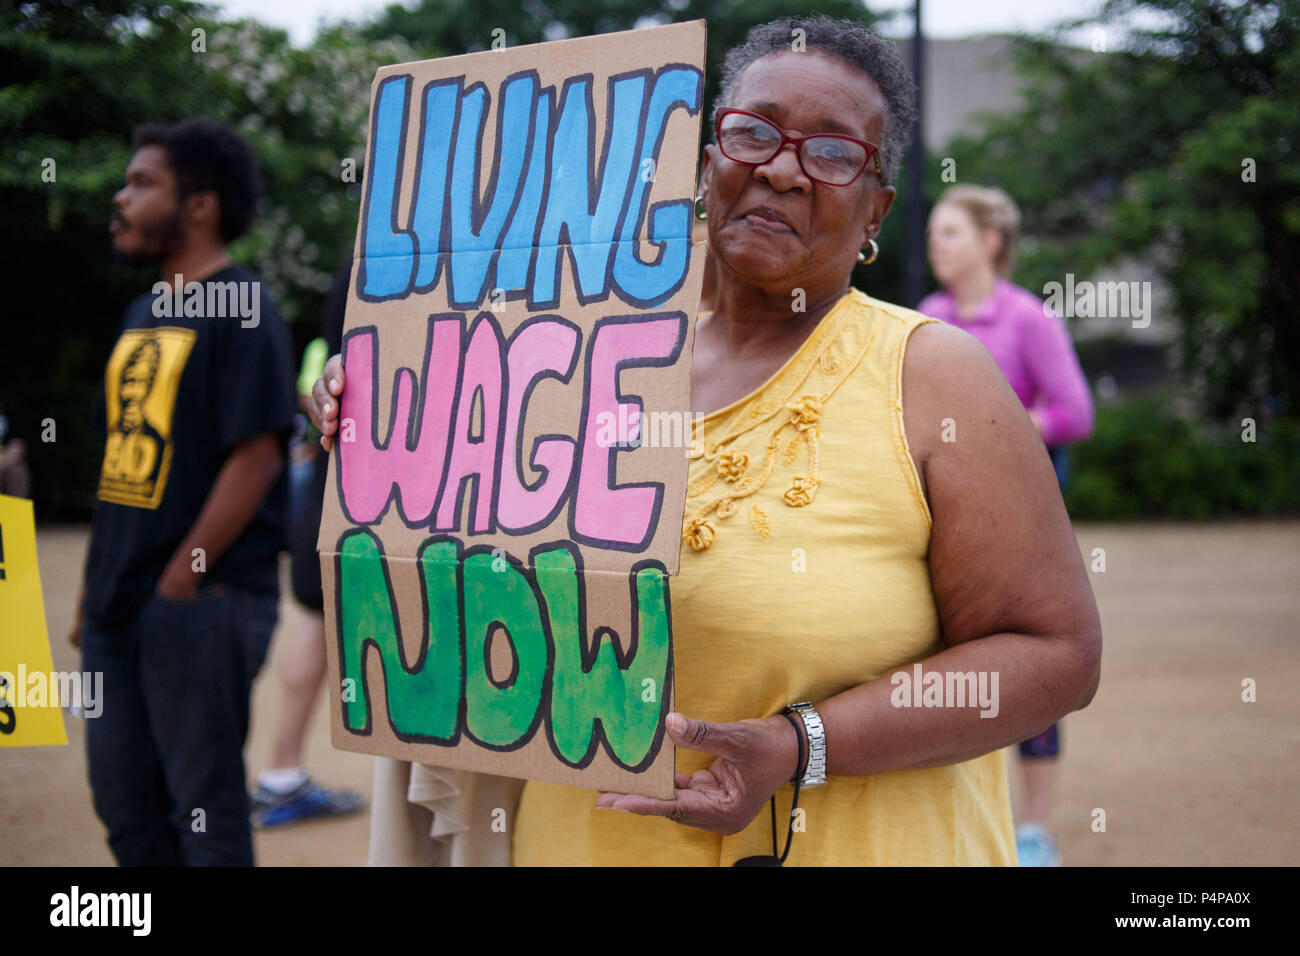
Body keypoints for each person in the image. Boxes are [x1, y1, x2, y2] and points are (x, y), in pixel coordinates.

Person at [310, 14, 1102, 865]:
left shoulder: (934, 376)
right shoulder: (563, 350)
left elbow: (1055, 654)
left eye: (835, 153)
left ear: (876, 208)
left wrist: (803, 746)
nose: (784, 170)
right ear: (706, 156)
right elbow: (455, 588)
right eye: (753, 131)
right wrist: (399, 427)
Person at [71, 118, 296, 866]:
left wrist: (180, 580)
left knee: (203, 814)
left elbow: (257, 457)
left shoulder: (244, 308)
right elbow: (123, 467)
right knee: (127, 813)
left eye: (142, 183)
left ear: (198, 206)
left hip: (203, 602)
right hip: (117, 607)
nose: (121, 197)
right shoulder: (140, 312)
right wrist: (93, 591)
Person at [918, 184, 1096, 867]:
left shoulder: (1027, 319)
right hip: (942, 519)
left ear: (992, 242)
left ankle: (1035, 832)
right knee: (955, 666)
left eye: (952, 232)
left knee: (1030, 661)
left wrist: (1000, 438)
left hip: (1020, 520)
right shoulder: (929, 318)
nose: (938, 243)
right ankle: (970, 810)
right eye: (934, 232)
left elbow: (1075, 414)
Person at [251, 262, 364, 828]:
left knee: (314, 618)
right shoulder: (395, 257)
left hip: (332, 481)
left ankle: (281, 772)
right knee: (318, 617)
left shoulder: (359, 260)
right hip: (354, 486)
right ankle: (281, 773)